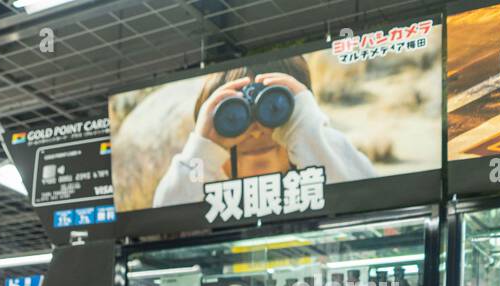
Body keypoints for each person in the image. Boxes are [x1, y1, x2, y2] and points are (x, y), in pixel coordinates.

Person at [153, 56, 375, 206]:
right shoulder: (201, 186)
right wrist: (202, 151)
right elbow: (165, 223)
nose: (257, 132)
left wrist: (308, 130)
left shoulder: (323, 170)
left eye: (275, 110)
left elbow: (368, 199)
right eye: (234, 116)